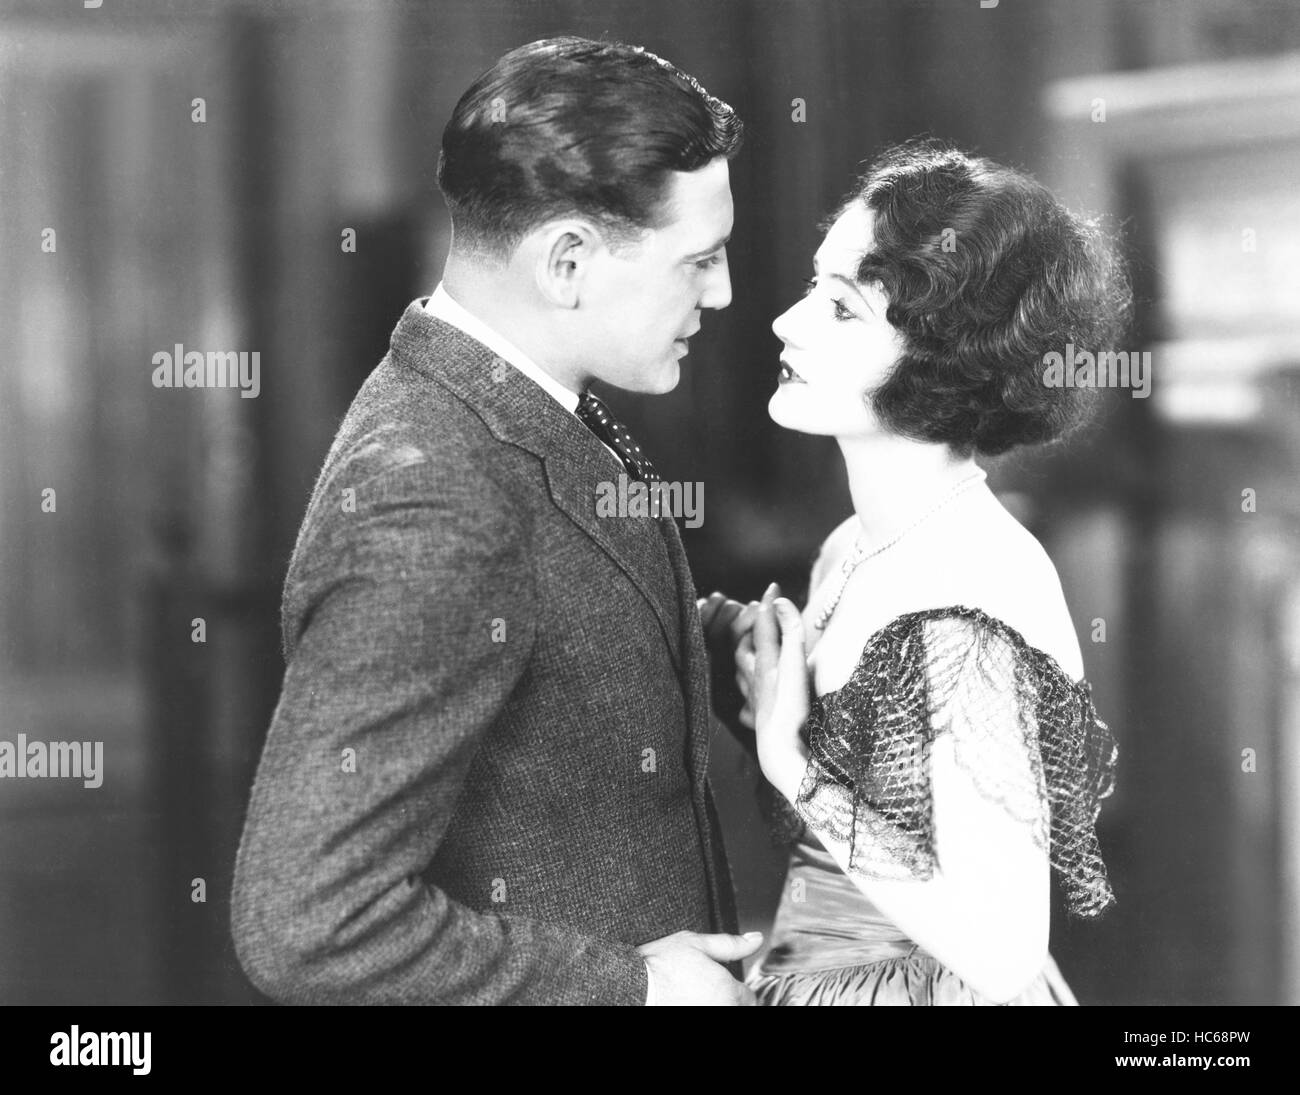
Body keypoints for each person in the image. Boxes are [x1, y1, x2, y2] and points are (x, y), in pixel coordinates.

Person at [230, 36, 761, 1005]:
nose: (721, 294)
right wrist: (633, 987)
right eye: (701, 260)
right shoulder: (429, 497)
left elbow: (549, 627)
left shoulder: (516, 396)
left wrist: (713, 646)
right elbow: (304, 921)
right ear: (566, 261)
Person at [734, 141, 1128, 1006]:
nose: (787, 322)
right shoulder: (853, 544)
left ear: (940, 357)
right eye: (814, 287)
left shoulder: (967, 593)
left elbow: (1001, 946)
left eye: (842, 310)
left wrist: (789, 758)